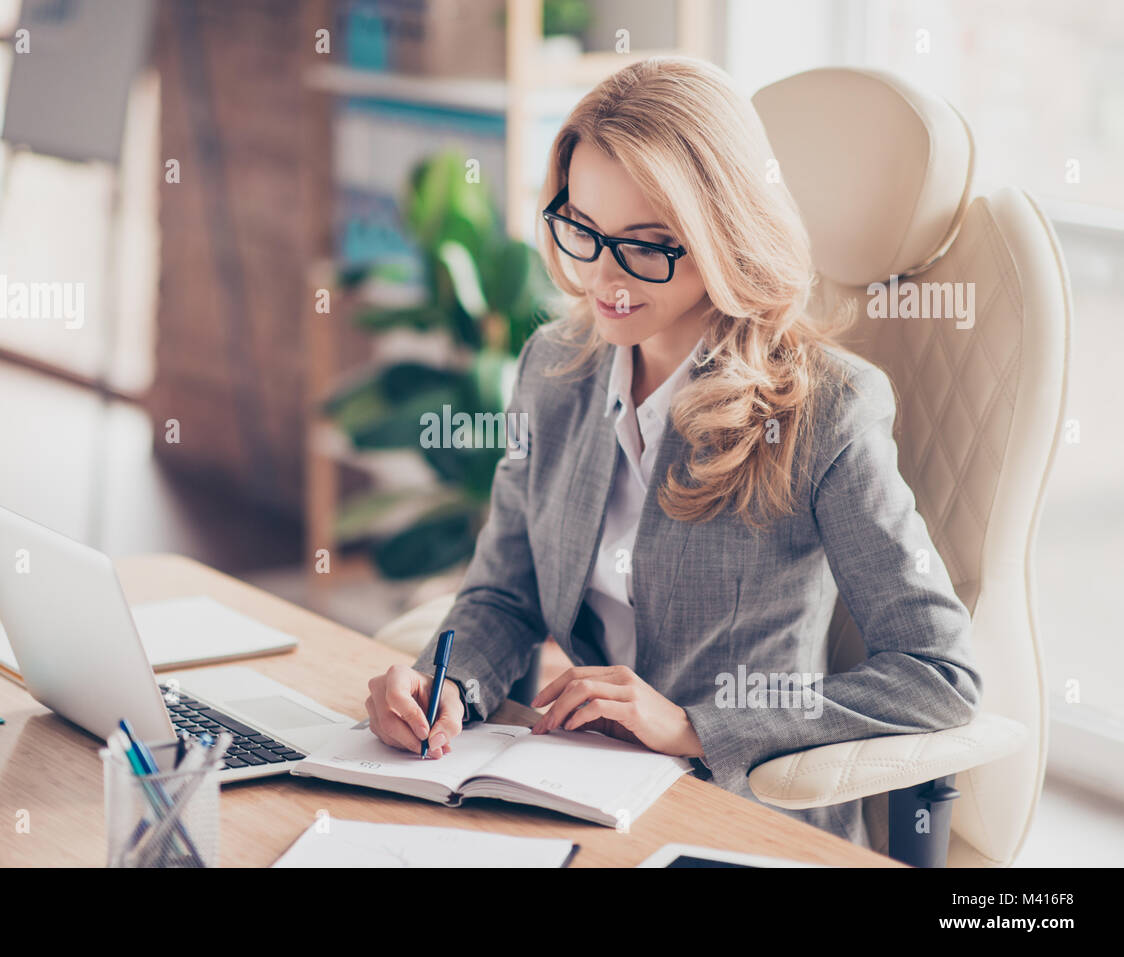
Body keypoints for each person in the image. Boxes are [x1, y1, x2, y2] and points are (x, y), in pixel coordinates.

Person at [362, 56, 981, 847]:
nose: (603, 276)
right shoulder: (555, 369)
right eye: (582, 230)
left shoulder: (826, 409)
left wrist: (695, 724)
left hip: (738, 818)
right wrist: (447, 686)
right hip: (569, 786)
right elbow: (504, 596)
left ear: (725, 233)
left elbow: (940, 673)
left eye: (647, 246)